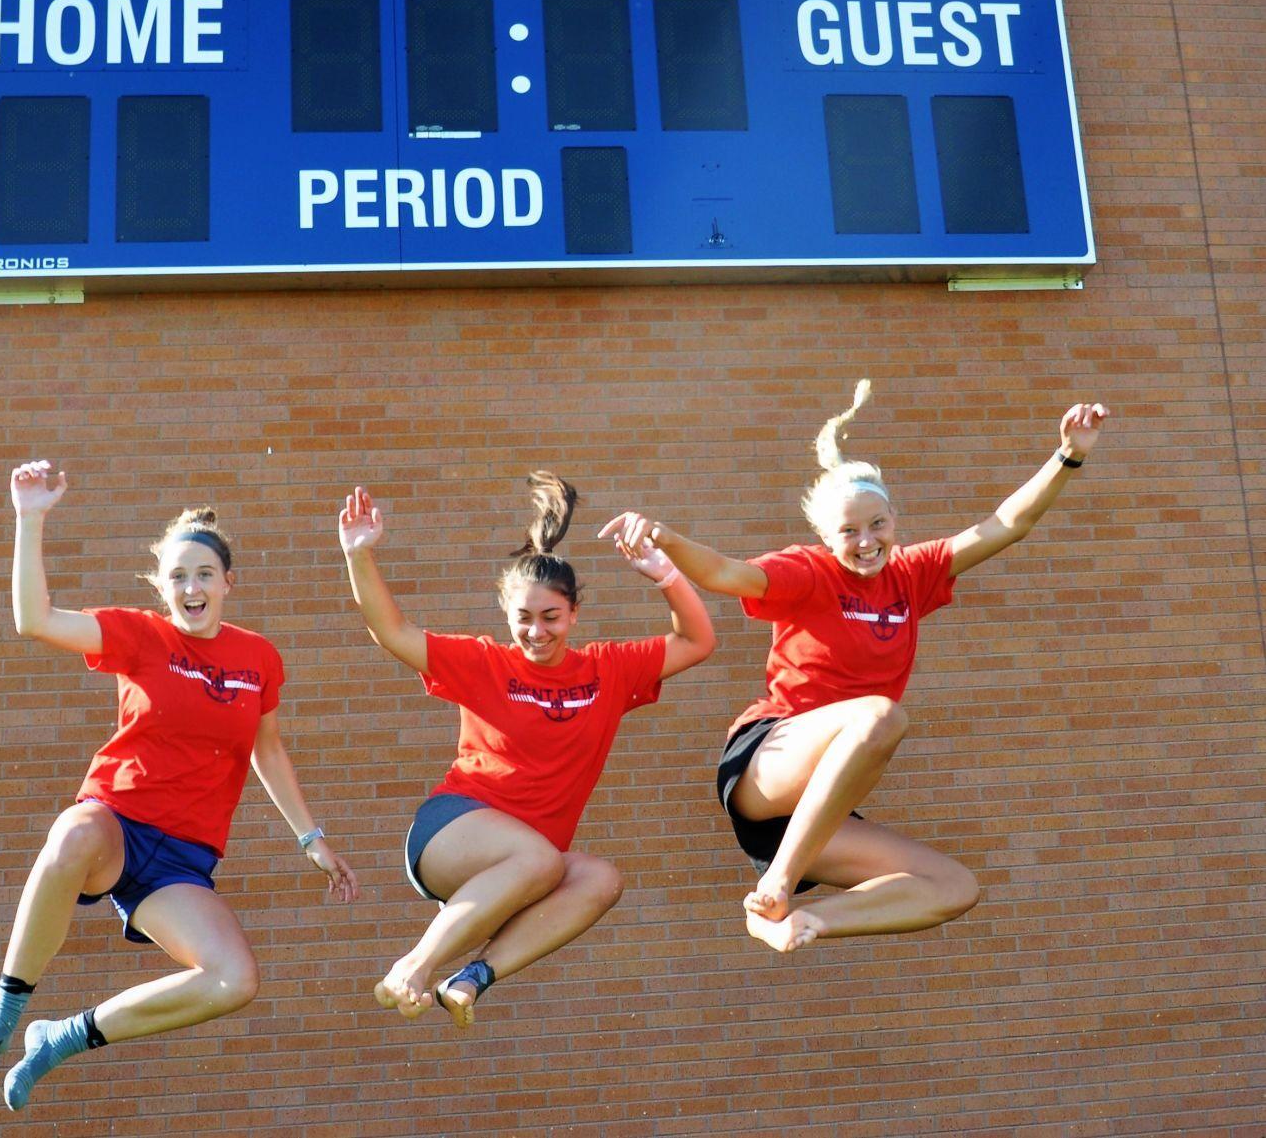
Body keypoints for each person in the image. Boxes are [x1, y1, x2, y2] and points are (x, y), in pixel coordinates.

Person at [601, 383, 1109, 954]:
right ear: (826, 537)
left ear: (894, 519)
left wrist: (1070, 453)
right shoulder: (809, 572)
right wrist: (665, 537)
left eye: (877, 526)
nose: (866, 542)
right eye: (849, 532)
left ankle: (798, 921)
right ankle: (778, 884)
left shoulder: (913, 573)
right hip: (769, 760)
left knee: (952, 886)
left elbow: (1005, 525)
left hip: (814, 805)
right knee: (881, 716)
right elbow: (726, 574)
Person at [0, 460, 358, 1110]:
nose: (191, 586)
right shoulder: (140, 635)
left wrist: (311, 837)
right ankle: (4, 1011)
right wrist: (30, 516)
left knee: (233, 979)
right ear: (161, 587)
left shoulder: (258, 657)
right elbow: (34, 618)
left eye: (204, 574)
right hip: (117, 821)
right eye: (177, 576)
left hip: (183, 858)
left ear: (227, 582)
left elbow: (267, 748)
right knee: (71, 835)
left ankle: (61, 1037)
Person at [337, 473, 715, 1026]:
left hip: (524, 867)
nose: (536, 632)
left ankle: (471, 978)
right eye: (523, 619)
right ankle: (413, 968)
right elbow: (391, 630)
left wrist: (666, 576)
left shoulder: (607, 670)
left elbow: (698, 641)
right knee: (540, 855)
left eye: (550, 618)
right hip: (451, 832)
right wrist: (360, 556)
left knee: (600, 878)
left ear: (574, 615)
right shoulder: (485, 662)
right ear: (506, 615)